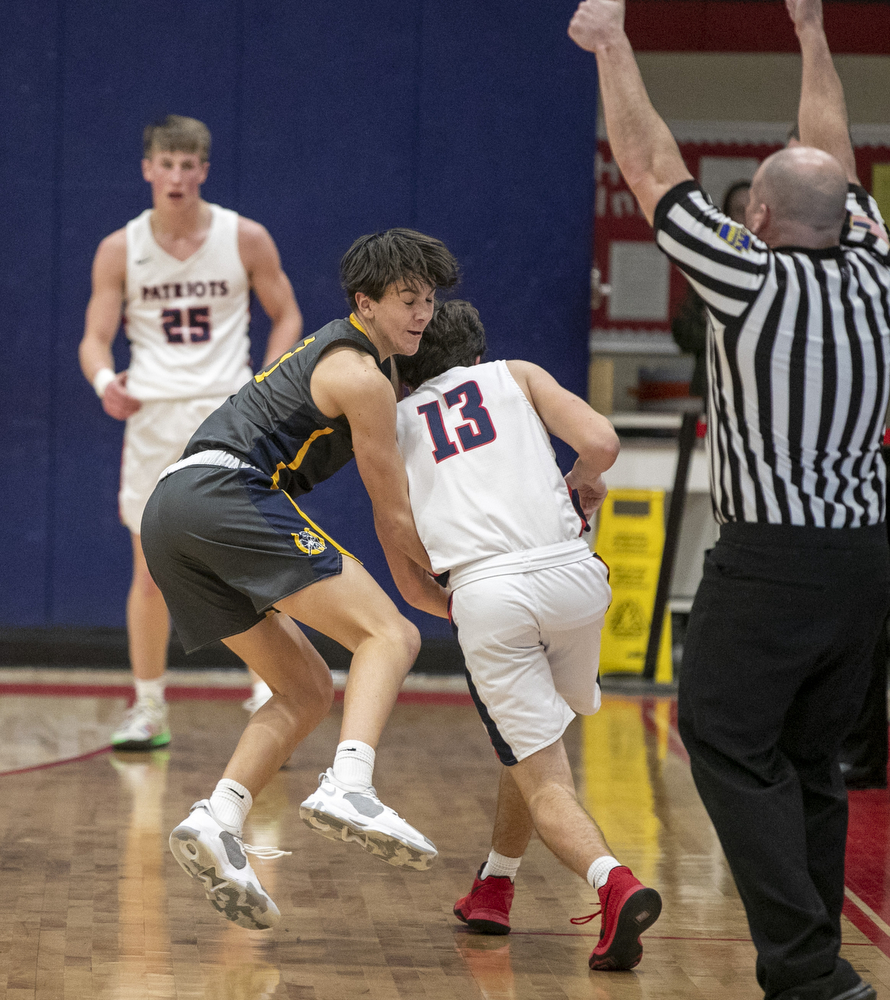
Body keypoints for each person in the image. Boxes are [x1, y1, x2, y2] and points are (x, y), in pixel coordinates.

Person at [568, 1, 890, 998]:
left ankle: (800, 962)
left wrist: (613, 44)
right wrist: (810, 32)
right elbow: (832, 154)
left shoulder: (746, 278)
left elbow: (648, 165)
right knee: (808, 760)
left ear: (753, 217)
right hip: (863, 560)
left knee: (716, 733)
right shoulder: (876, 268)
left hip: (769, 561)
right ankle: (818, 968)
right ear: (847, 215)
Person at [141, 227, 459, 930]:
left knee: (307, 688)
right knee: (390, 638)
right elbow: (392, 514)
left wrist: (423, 597)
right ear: (364, 303)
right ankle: (350, 783)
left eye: (430, 301)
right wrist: (443, 593)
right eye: (407, 299)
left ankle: (218, 818)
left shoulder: (342, 356)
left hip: (170, 511)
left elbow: (389, 523)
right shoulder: (361, 376)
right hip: (222, 495)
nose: (422, 314)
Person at [380, 299, 663, 972]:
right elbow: (601, 444)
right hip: (576, 576)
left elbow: (412, 576)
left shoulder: (390, 425)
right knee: (533, 734)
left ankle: (613, 883)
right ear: (476, 356)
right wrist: (579, 482)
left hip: (488, 591)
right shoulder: (516, 374)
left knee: (544, 778)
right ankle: (495, 885)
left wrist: (476, 613)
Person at [78, 115, 303, 750]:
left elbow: (287, 316)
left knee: (253, 559)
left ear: (203, 169)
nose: (176, 176)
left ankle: (271, 689)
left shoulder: (245, 238)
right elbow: (95, 339)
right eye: (166, 164)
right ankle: (148, 707)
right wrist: (104, 383)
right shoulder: (119, 248)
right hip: (153, 417)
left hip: (227, 415)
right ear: (147, 169)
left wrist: (265, 384)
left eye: (188, 165)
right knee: (149, 570)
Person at [670, 180, 750, 398]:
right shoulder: (708, 267)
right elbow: (683, 331)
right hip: (711, 386)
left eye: (750, 211)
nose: (745, 219)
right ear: (727, 218)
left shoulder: (779, 267)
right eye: (738, 211)